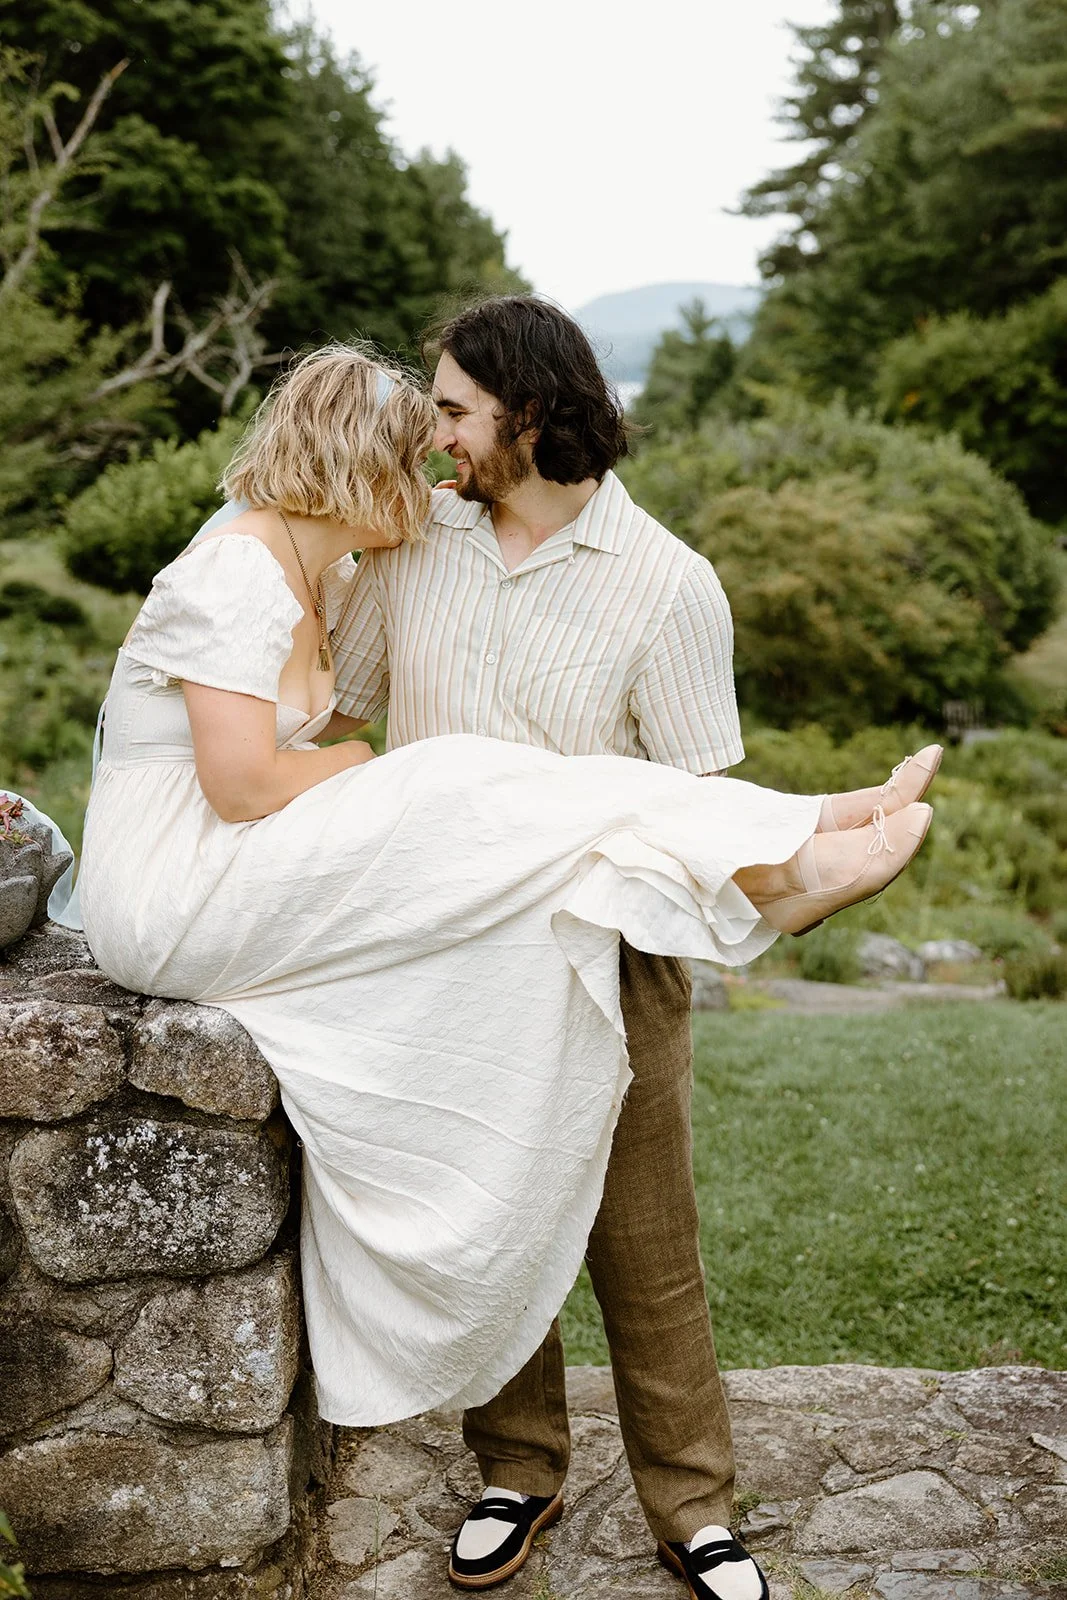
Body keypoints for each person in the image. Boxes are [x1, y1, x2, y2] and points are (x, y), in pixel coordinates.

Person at [78, 337, 937, 1600]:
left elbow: (678, 782)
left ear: (531, 414)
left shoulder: (669, 582)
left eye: (455, 414)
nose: (436, 445)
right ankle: (513, 1471)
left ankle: (694, 1510)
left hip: (610, 911)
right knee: (488, 1180)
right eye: (427, 418)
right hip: (440, 909)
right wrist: (395, 794)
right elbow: (319, 726)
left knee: (646, 1243)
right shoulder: (405, 547)